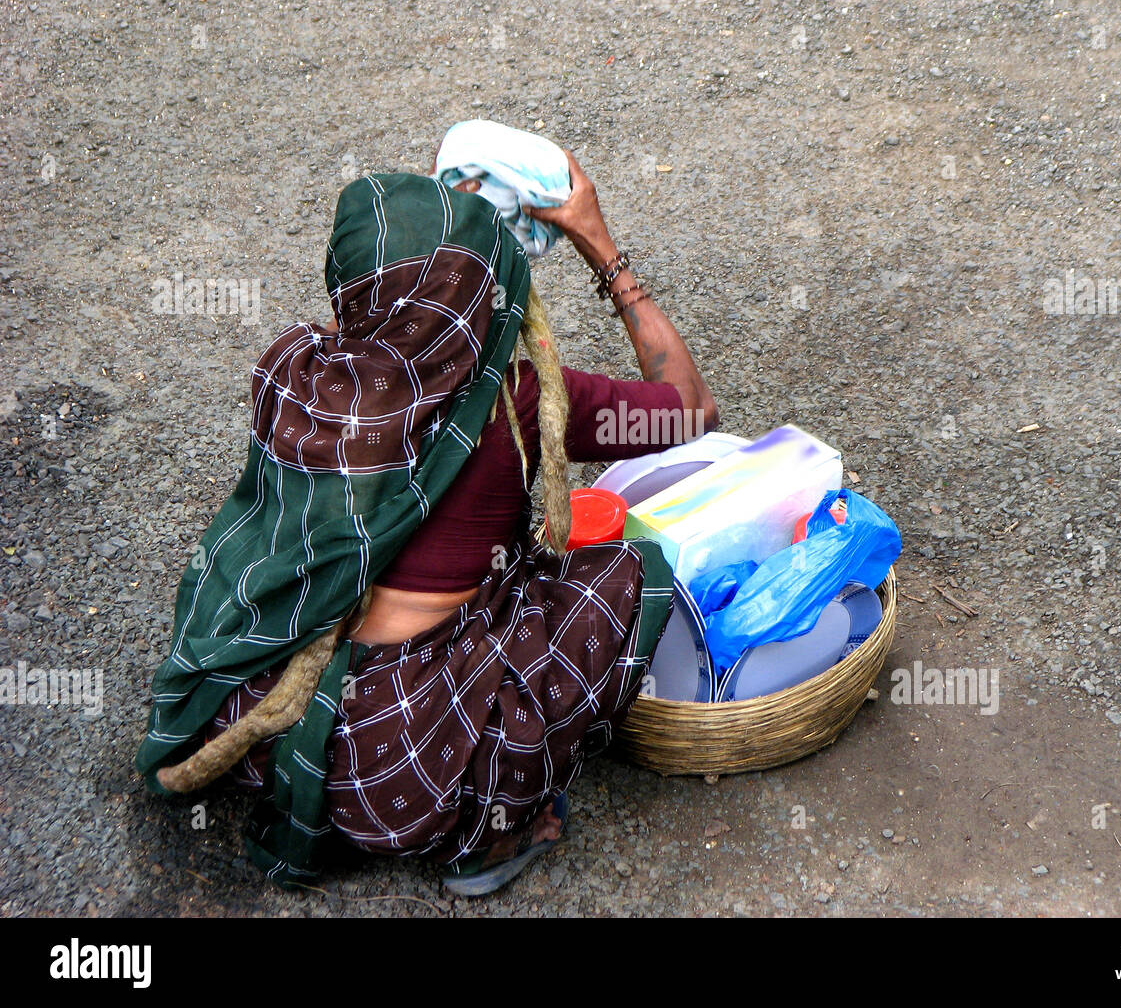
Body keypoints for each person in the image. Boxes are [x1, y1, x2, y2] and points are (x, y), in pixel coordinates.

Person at [136, 148, 717, 894]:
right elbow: (693, 412)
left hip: (264, 725)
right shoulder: (519, 394)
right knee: (629, 576)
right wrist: (601, 247)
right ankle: (487, 838)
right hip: (408, 763)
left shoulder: (298, 380)